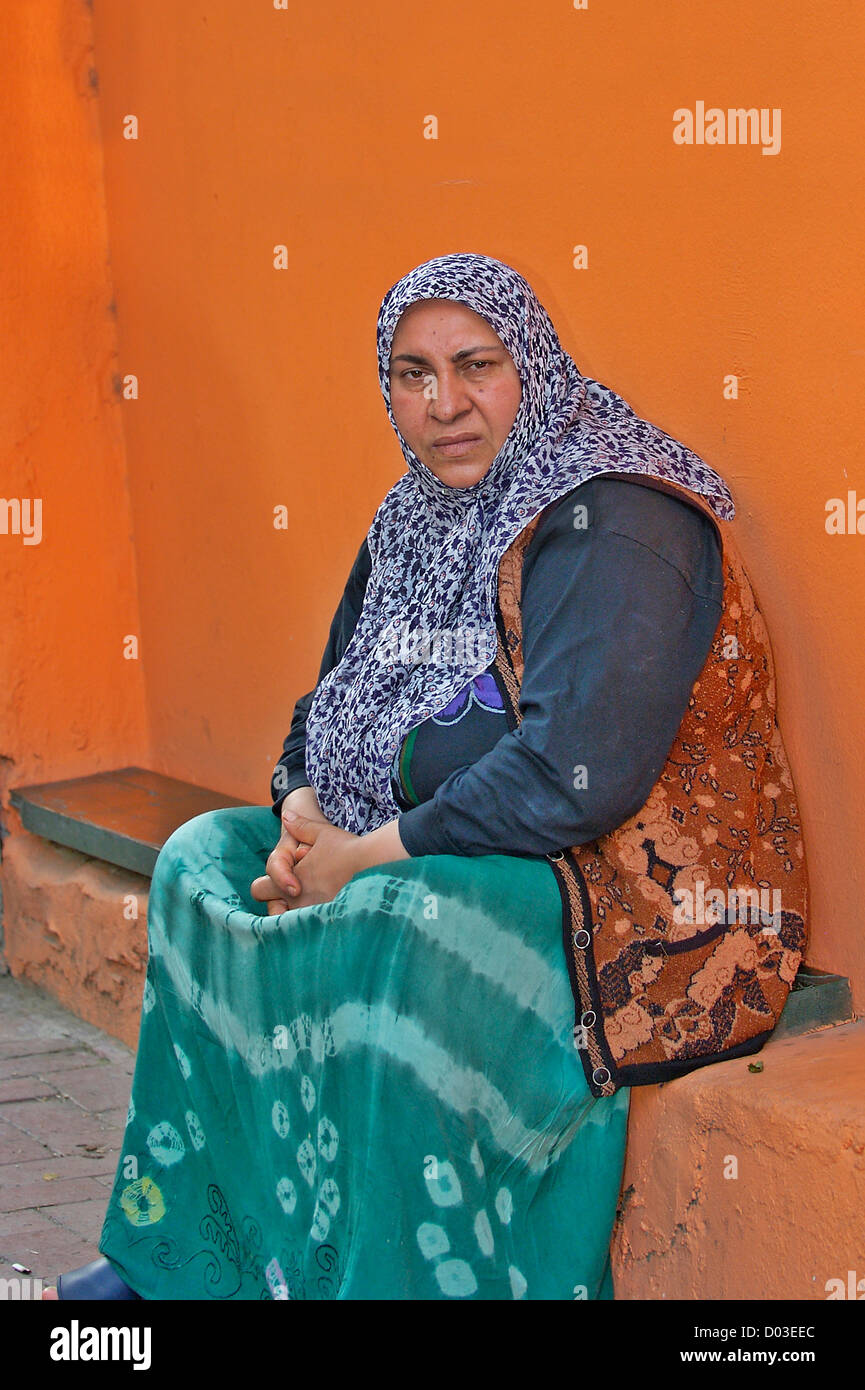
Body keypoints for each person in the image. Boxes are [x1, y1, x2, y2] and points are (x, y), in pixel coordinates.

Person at [47, 253, 807, 1301]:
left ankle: (393, 1279)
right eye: (411, 374)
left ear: (531, 367)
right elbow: (330, 701)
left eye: (475, 365)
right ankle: (183, 1261)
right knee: (200, 861)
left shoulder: (616, 517)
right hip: (409, 851)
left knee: (403, 912)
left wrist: (362, 858)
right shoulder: (413, 518)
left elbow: (574, 777)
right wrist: (300, 811)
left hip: (629, 902)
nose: (443, 403)